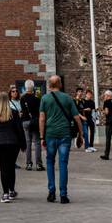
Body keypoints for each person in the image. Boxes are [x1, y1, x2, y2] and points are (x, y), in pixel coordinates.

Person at [39, 74, 85, 204]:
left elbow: (42, 118)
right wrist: (81, 134)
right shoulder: (67, 98)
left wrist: (42, 136)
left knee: (49, 162)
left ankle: (51, 192)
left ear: (49, 85)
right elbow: (77, 117)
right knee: (63, 164)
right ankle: (63, 194)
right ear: (60, 84)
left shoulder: (45, 99)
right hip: (65, 135)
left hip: (50, 134)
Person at [0, 90, 25, 202]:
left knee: (3, 168)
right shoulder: (13, 113)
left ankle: (5, 194)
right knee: (11, 166)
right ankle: (12, 190)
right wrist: (23, 144)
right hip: (13, 143)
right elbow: (19, 129)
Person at [20, 81, 44, 172]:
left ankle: (29, 164)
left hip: (25, 121)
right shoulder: (37, 99)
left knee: (28, 143)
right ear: (33, 87)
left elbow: (22, 110)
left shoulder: (22, 98)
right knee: (37, 142)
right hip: (34, 122)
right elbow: (39, 112)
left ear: (25, 87)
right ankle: (38, 164)